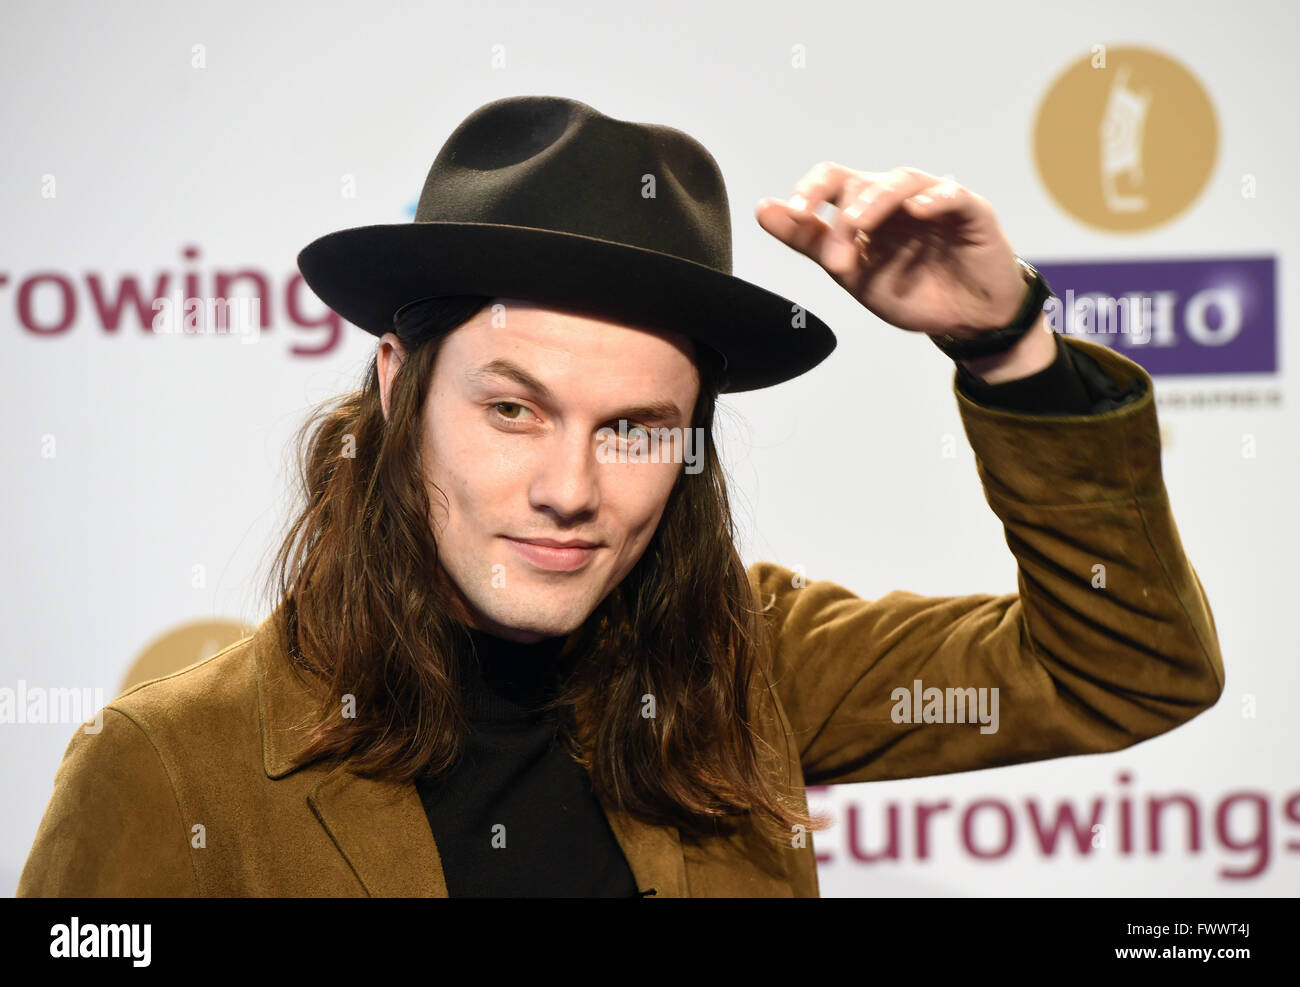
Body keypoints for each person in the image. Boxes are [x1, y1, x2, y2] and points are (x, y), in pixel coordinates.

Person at [17, 95, 1223, 898]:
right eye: (512, 410)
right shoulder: (170, 769)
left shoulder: (751, 664)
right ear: (399, 387)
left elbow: (1121, 669)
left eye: (636, 429)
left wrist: (1010, 348)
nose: (567, 490)